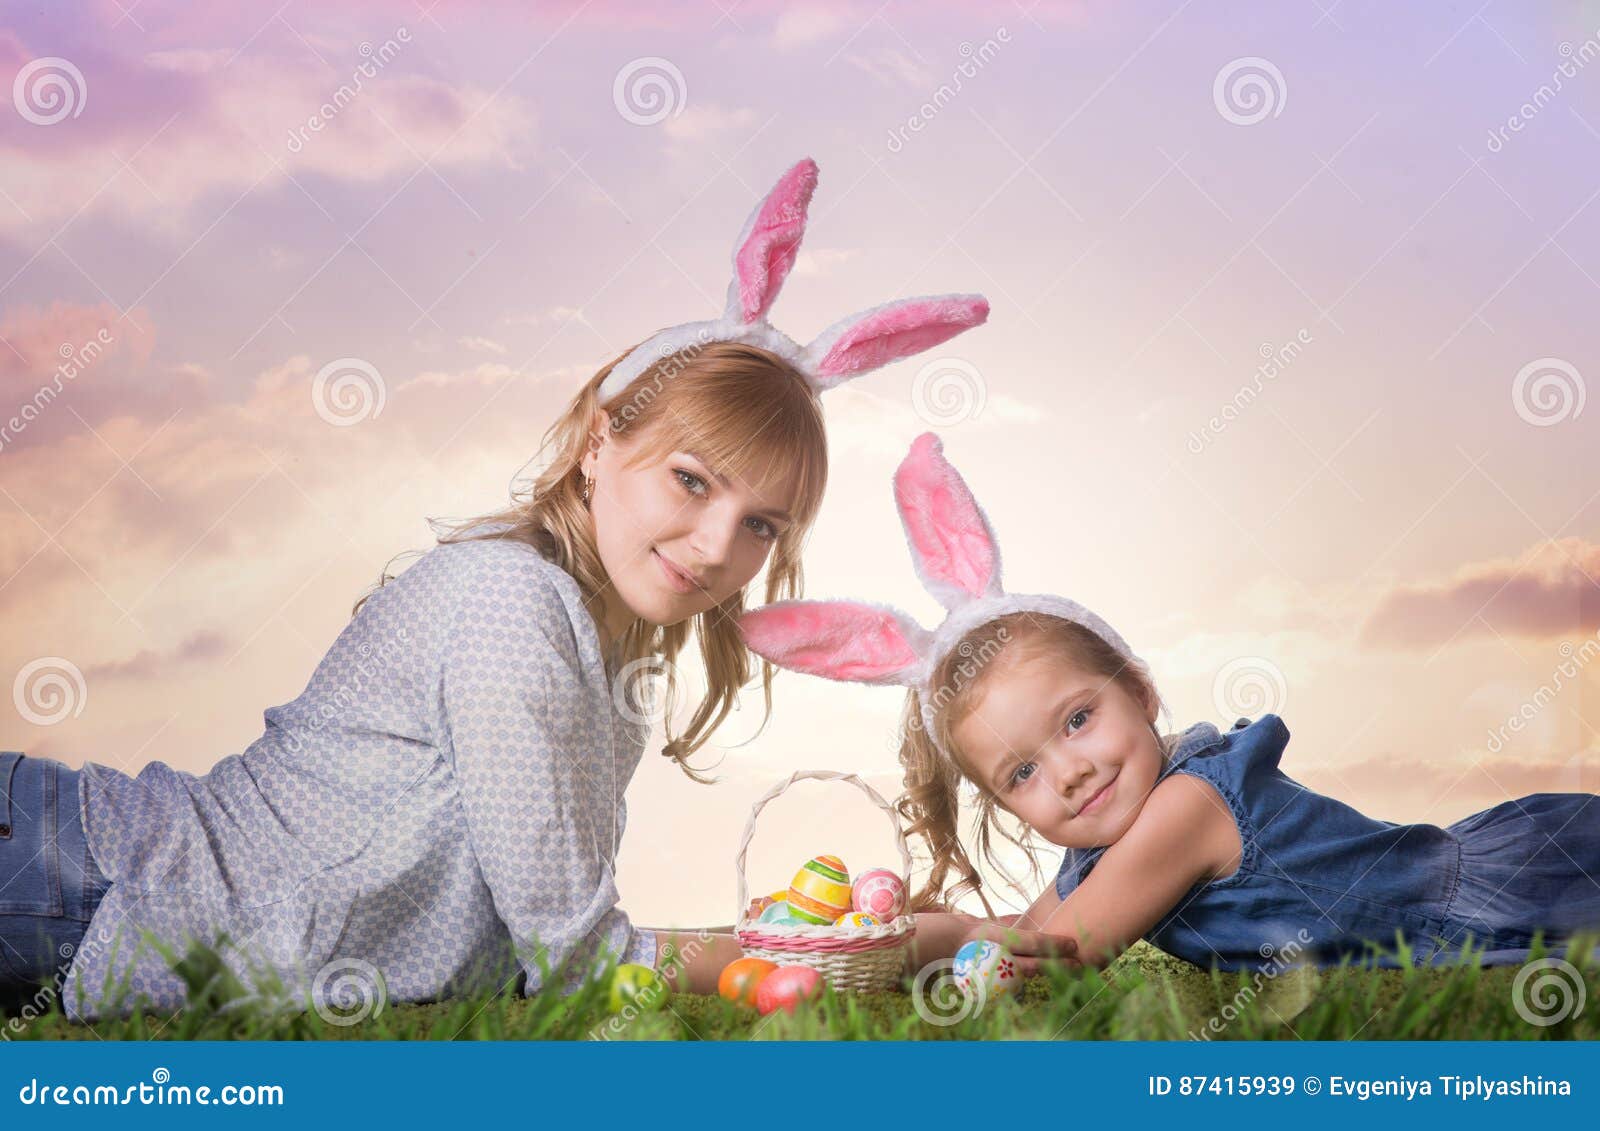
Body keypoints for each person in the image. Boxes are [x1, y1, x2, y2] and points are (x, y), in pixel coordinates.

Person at [0, 158, 991, 1019]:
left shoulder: (599, 664)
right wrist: (892, 950)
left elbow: (542, 950)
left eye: (760, 524)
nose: (715, 545)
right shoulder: (508, 608)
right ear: (602, 441)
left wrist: (819, 944)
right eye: (691, 480)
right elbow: (582, 962)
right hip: (73, 875)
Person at [740, 433, 1600, 972]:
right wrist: (890, 931)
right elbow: (1025, 931)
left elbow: (1066, 949)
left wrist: (935, 939)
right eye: (1024, 772)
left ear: (1140, 688)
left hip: (1520, 886)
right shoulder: (1099, 850)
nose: (1071, 772)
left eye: (1078, 719)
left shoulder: (1186, 807)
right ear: (1004, 802)